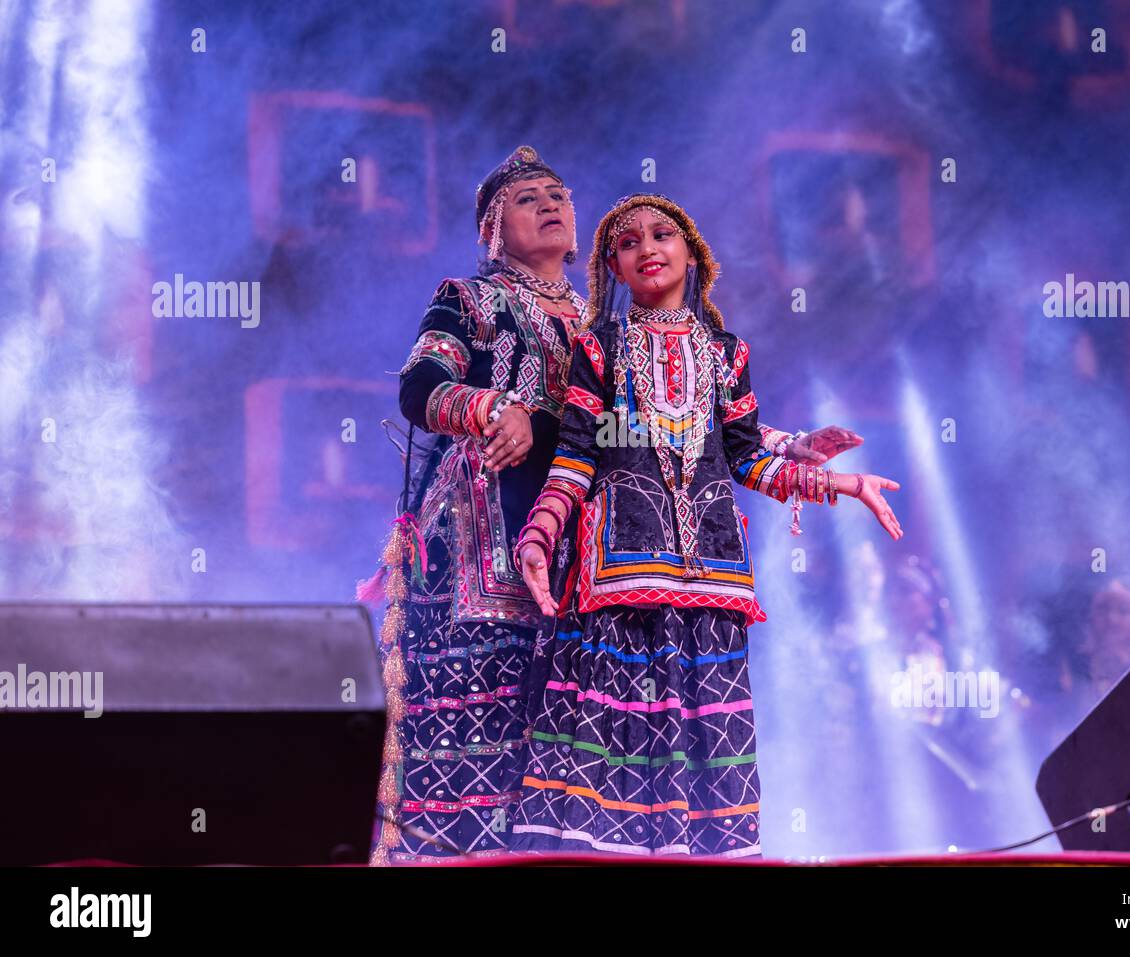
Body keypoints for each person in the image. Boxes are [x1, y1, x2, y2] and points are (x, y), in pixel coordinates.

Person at [359, 151, 859, 864]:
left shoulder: (604, 326)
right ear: (490, 231)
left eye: (557, 194)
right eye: (525, 198)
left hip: (591, 560)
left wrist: (792, 446)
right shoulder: (469, 299)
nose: (548, 203)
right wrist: (495, 406)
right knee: (480, 734)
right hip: (486, 545)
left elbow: (677, 424)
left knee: (565, 750)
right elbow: (419, 385)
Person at [511, 193, 903, 857]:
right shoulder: (600, 351)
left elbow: (744, 455)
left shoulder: (727, 354)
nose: (648, 248)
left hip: (711, 584)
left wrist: (840, 483)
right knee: (612, 775)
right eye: (629, 243)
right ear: (615, 268)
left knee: (710, 773)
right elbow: (576, 456)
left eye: (662, 234)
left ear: (690, 252)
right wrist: (540, 533)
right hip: (623, 583)